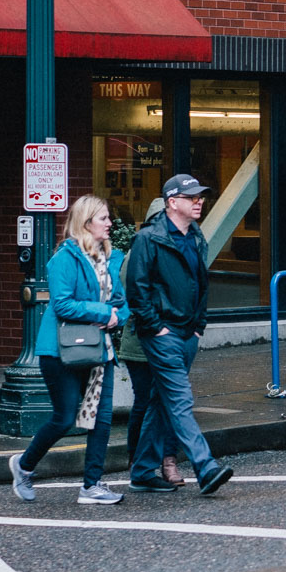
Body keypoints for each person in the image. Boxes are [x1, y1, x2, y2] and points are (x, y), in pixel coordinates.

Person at [10, 195, 128, 506]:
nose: (109, 223)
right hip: (61, 351)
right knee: (63, 419)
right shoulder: (64, 258)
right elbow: (62, 304)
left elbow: (122, 303)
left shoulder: (113, 258)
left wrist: (118, 316)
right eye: (103, 218)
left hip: (100, 351)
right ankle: (23, 466)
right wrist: (103, 314)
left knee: (102, 421)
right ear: (87, 223)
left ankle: (92, 486)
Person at [127, 173, 234, 496]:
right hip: (163, 334)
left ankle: (144, 471)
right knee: (179, 398)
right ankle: (206, 466)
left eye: (200, 197)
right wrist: (155, 327)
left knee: (160, 402)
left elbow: (201, 284)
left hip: (187, 333)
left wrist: (198, 327)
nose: (199, 202)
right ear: (172, 203)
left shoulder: (195, 236)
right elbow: (137, 288)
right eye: (192, 197)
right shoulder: (149, 238)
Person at [118, 198, 185, 487]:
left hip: (172, 340)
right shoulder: (138, 252)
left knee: (170, 403)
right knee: (145, 402)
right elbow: (133, 295)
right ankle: (138, 460)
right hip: (141, 342)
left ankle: (168, 460)